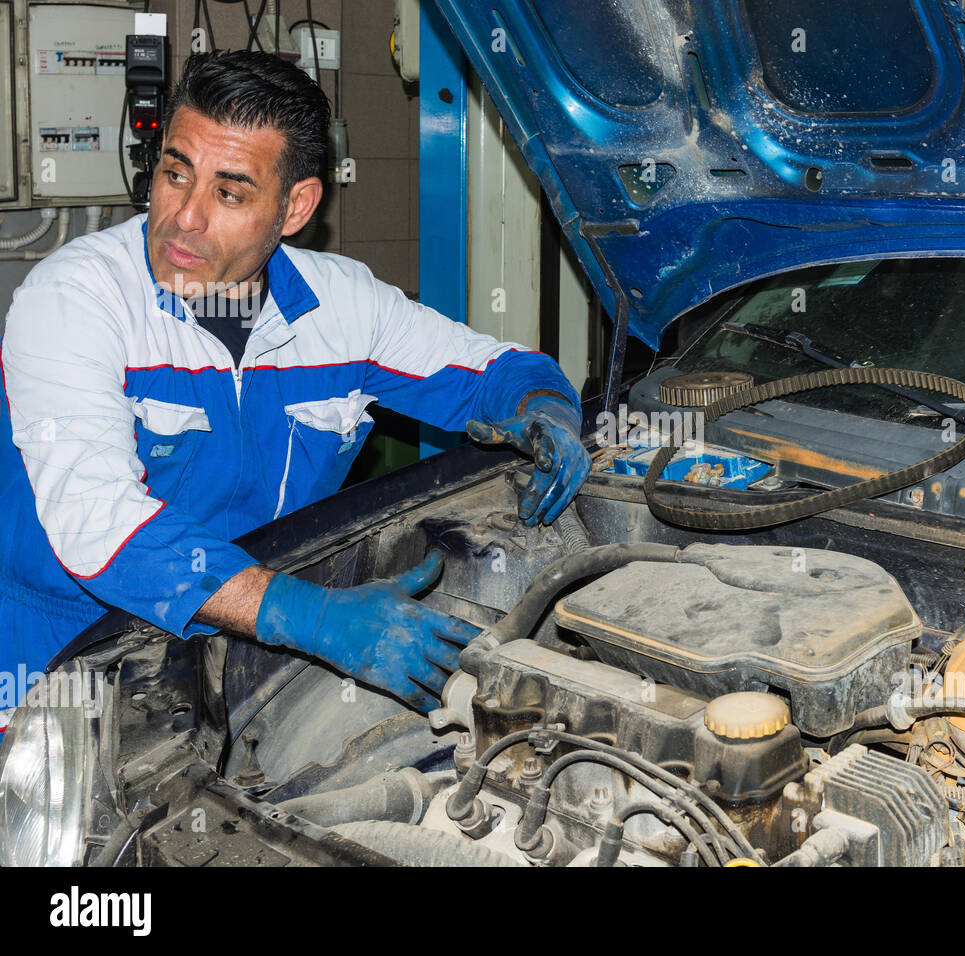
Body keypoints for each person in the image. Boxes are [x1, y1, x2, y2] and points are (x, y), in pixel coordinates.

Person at [0, 51, 589, 714]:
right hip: (62, 654)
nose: (184, 217)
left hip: (246, 641)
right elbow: (98, 522)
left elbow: (499, 371)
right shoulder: (73, 300)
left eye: (229, 193)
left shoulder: (343, 308)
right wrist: (314, 618)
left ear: (295, 205)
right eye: (174, 173)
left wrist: (547, 414)